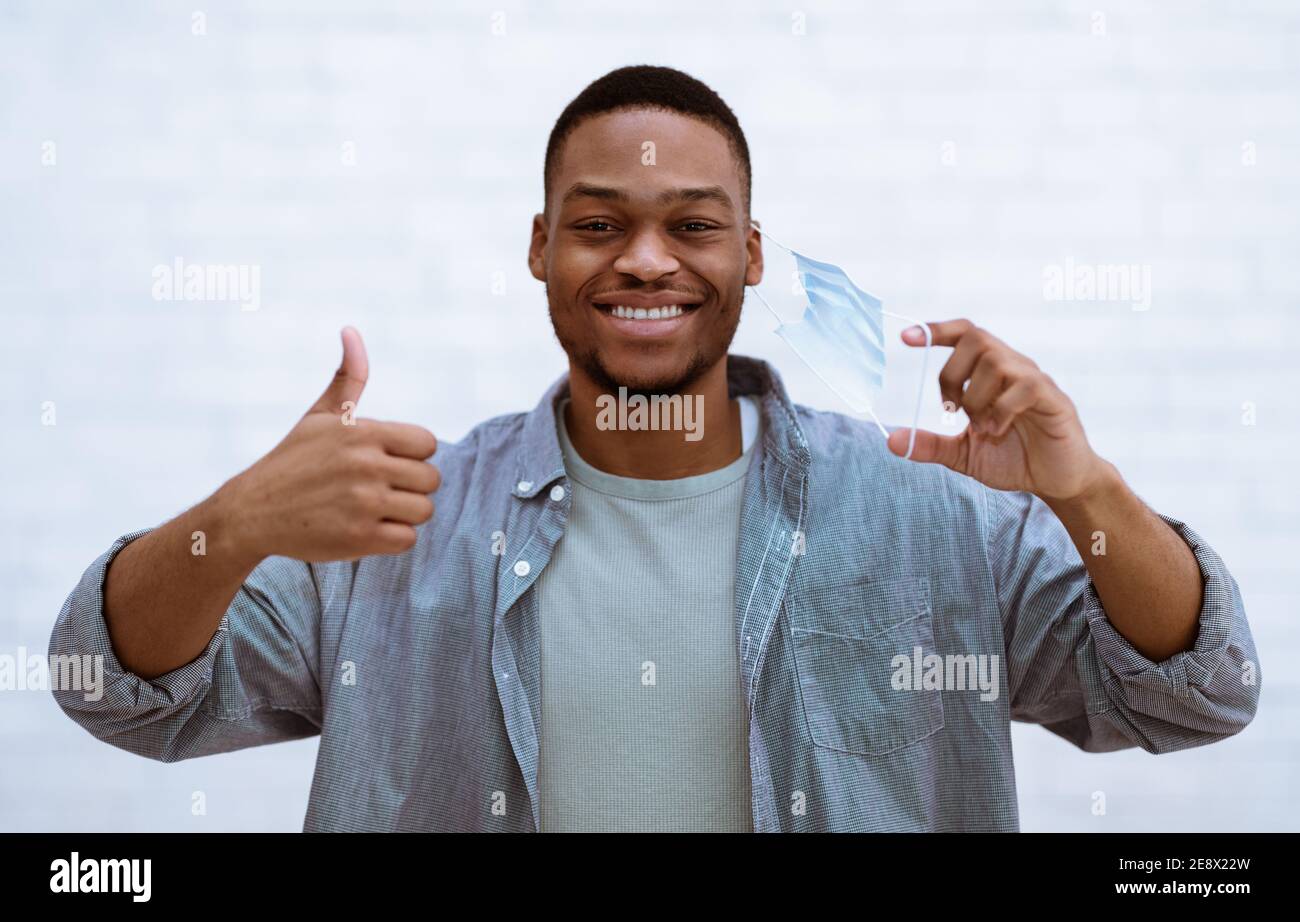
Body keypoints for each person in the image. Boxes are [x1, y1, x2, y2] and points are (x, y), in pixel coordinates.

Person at [50, 65, 1260, 832]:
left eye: (692, 226)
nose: (643, 260)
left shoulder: (921, 508)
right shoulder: (394, 524)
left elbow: (1195, 692)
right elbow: (112, 690)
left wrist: (1086, 490)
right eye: (597, 225)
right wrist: (233, 522)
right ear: (539, 248)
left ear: (751, 256)